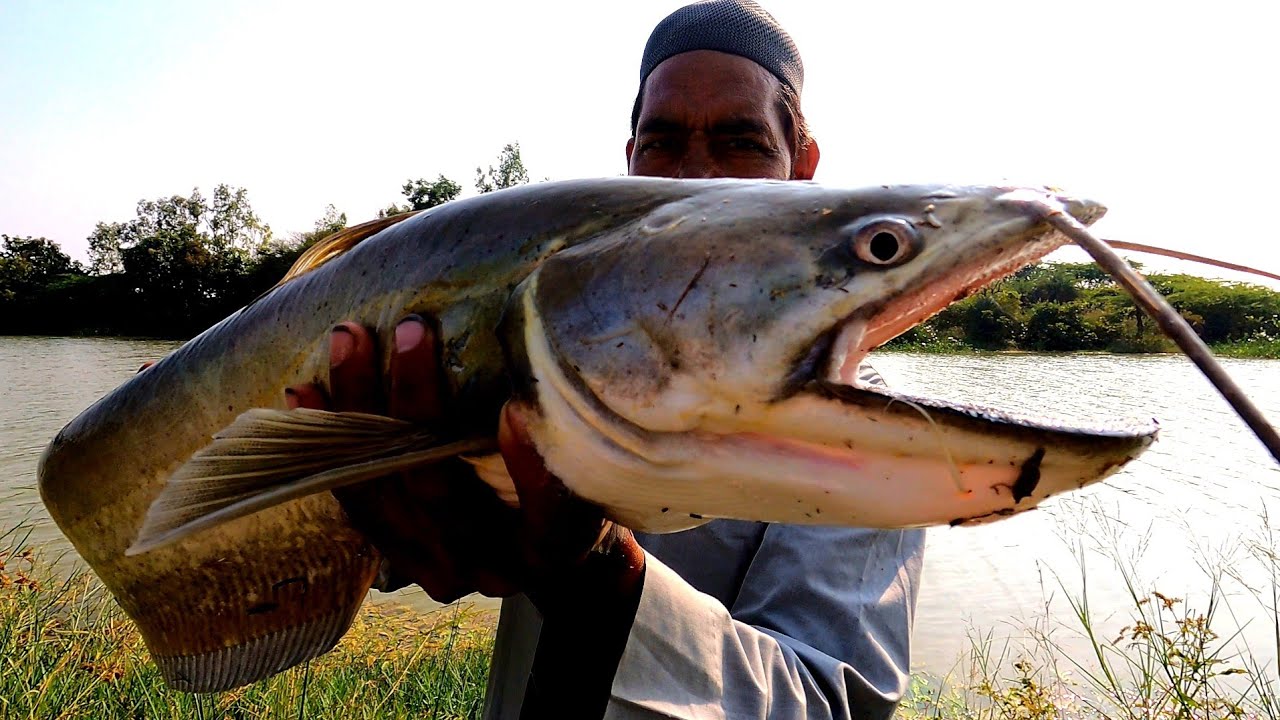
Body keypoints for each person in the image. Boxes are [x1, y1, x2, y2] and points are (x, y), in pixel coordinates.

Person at [288, 2, 926, 717]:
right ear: (629, 164)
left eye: (741, 142)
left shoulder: (876, 432)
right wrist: (376, 520)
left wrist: (596, 577)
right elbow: (385, 546)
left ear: (802, 170)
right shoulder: (543, 337)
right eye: (662, 143)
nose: (693, 179)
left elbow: (829, 700)